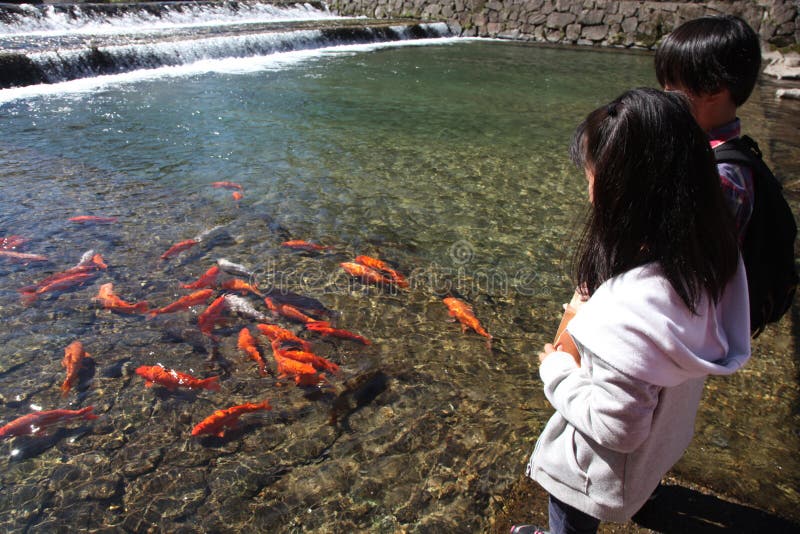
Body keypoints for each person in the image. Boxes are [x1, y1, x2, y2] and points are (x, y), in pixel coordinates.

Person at [513, 88, 751, 534]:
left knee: (569, 519)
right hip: (657, 450)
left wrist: (556, 369)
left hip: (593, 475)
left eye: (591, 179)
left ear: (625, 193)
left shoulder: (627, 315)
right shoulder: (711, 263)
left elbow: (617, 428)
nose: (588, 195)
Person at [654, 14, 762, 240]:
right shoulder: (716, 151)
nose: (664, 94)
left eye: (672, 85)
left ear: (714, 90)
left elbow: (687, 265)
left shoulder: (720, 180)